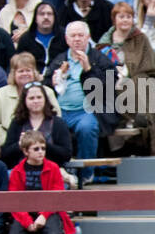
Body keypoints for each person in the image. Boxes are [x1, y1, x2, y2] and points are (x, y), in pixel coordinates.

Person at [45, 19, 117, 177]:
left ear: (88, 37)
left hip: (88, 111)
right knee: (47, 128)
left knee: (86, 128)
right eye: (73, 36)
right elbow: (46, 85)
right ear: (66, 39)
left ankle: (86, 174)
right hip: (60, 110)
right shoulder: (59, 60)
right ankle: (55, 174)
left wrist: (89, 70)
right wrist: (54, 79)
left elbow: (107, 89)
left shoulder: (101, 60)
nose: (77, 39)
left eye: (80, 35)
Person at [98, 0, 155, 154]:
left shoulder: (140, 38)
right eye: (121, 17)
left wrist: (130, 71)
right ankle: (133, 122)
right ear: (115, 20)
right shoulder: (104, 44)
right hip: (114, 84)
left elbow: (149, 64)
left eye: (128, 17)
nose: (125, 20)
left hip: (140, 80)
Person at [4, 130, 73, 234]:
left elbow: (56, 196)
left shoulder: (53, 168)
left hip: (49, 210)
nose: (41, 151)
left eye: (43, 148)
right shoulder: (17, 171)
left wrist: (43, 216)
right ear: (26, 151)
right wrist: (27, 221)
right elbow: (14, 201)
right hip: (23, 212)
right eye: (36, 149)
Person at [0, 78, 72, 168]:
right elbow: (5, 154)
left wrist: (43, 144)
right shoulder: (17, 122)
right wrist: (20, 144)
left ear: (45, 99)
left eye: (39, 97)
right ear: (24, 101)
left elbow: (66, 154)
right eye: (31, 98)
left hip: (51, 172)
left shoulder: (58, 123)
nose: (35, 101)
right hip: (22, 173)